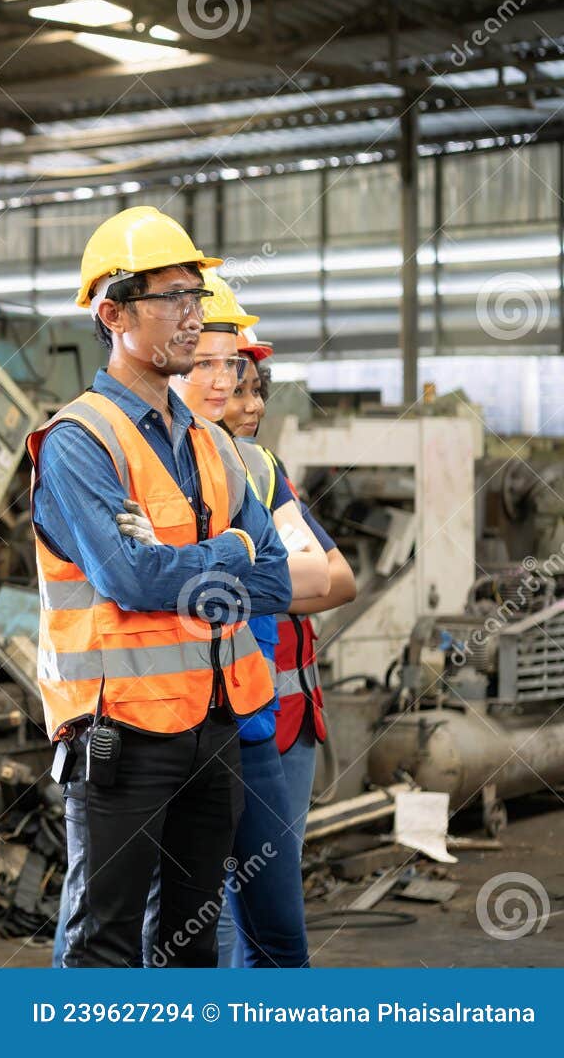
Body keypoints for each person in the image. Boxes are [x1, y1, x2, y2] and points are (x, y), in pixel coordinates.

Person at [30, 206, 290, 968]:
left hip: (214, 729)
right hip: (122, 737)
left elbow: (274, 578)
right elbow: (128, 576)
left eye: (196, 298)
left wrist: (220, 559)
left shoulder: (214, 441)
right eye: (173, 298)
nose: (192, 317)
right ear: (112, 314)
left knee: (189, 942)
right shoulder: (81, 440)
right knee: (102, 946)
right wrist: (233, 546)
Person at [144, 271, 331, 967]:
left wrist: (216, 565)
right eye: (207, 360)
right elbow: (144, 581)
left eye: (233, 363)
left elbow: (290, 576)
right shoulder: (133, 453)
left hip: (249, 722)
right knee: (184, 937)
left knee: (279, 935)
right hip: (167, 726)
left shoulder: (249, 462)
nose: (222, 380)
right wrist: (229, 560)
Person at [224, 326, 357, 844]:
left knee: (273, 892)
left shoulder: (264, 473)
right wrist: (283, 582)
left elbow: (339, 579)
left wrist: (255, 586)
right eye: (240, 391)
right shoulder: (179, 480)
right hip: (226, 722)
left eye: (258, 390)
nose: (254, 406)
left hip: (293, 717)